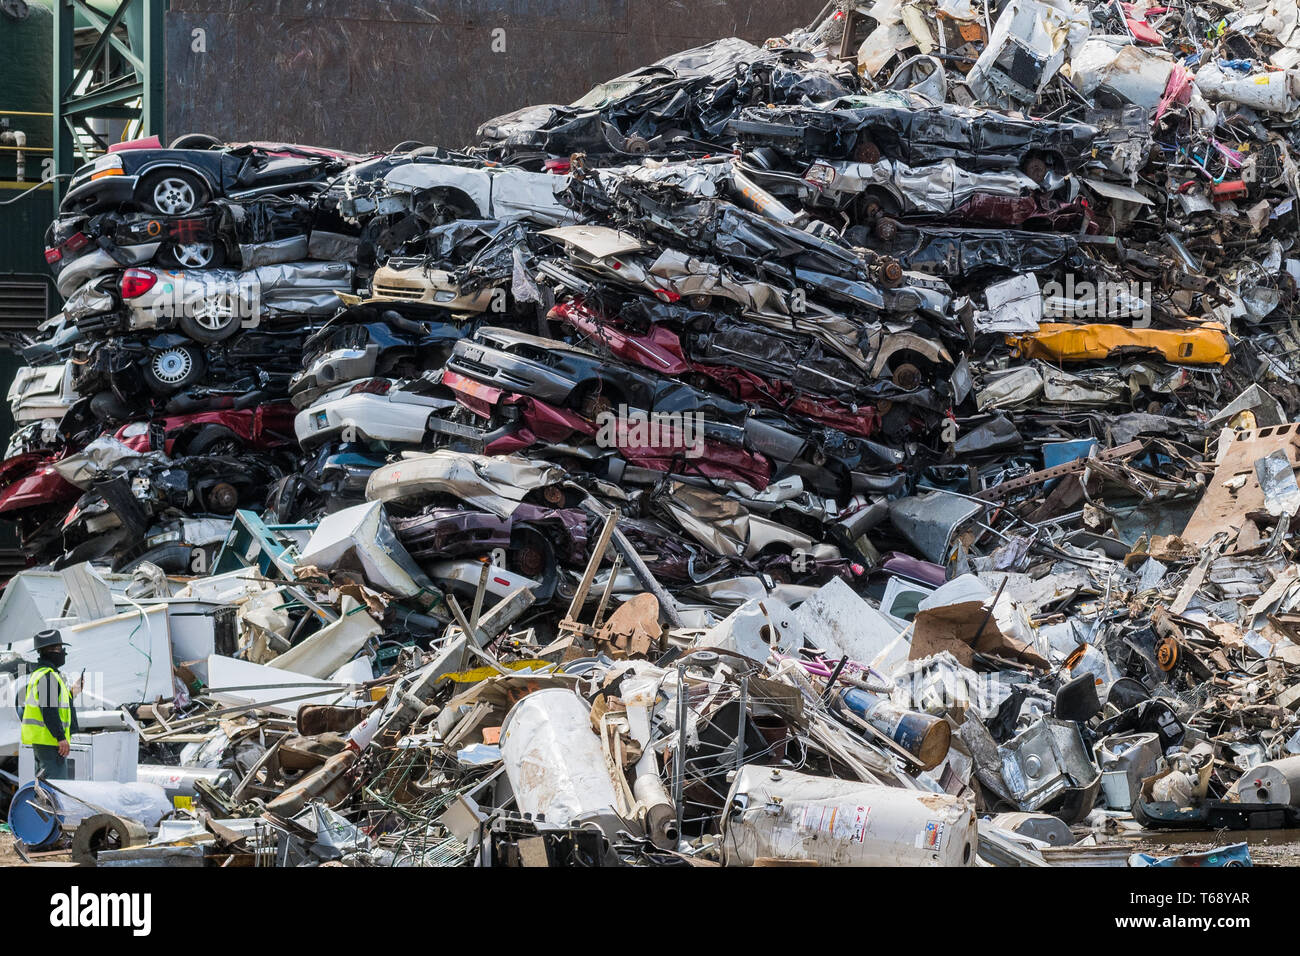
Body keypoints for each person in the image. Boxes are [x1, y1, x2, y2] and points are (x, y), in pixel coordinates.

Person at [15, 628, 81, 780]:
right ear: (50, 651)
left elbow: (52, 703)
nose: (63, 652)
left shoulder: (41, 674)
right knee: (54, 788)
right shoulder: (48, 676)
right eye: (59, 649)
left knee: (44, 786)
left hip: (44, 742)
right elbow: (49, 710)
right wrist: (60, 737)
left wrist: (73, 692)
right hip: (51, 743)